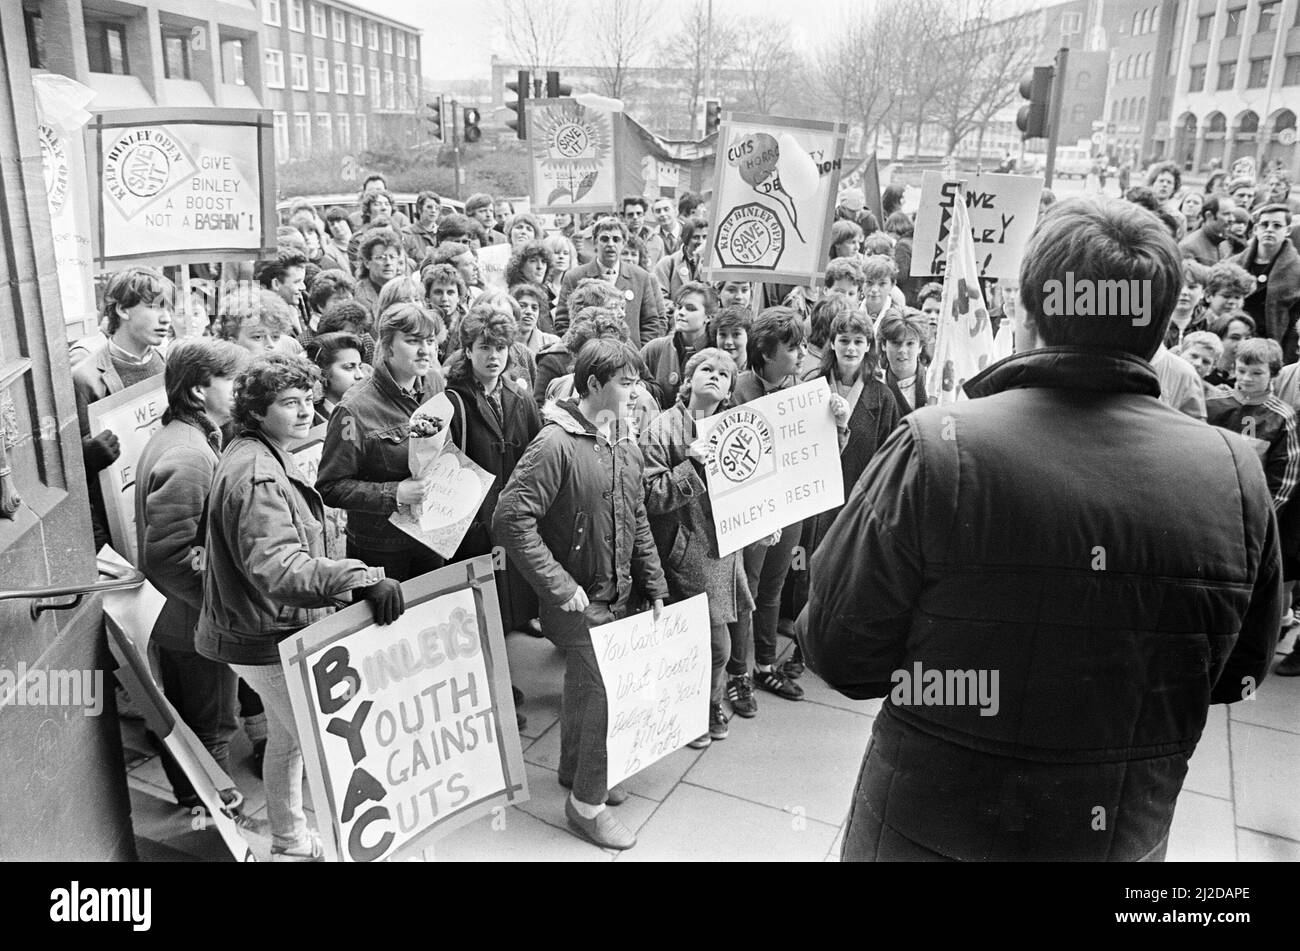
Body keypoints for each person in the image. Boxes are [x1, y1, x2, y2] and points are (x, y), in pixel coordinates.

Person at [802, 196, 1280, 862]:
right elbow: (1236, 674)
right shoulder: (1235, 475)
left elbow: (838, 650)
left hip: (925, 835)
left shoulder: (937, 448)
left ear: (1027, 315)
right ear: (1160, 325)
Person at [196, 354, 404, 861]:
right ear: (257, 411)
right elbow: (280, 569)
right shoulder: (258, 474)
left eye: (308, 400)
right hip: (260, 636)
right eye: (289, 403)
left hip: (258, 630)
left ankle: (288, 842)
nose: (305, 411)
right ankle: (342, 848)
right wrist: (360, 579)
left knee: (289, 742)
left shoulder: (256, 453)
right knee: (327, 749)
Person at [493, 338, 668, 851]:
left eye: (637, 383)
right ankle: (586, 805)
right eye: (626, 384)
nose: (636, 394)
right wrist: (558, 584)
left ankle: (575, 770)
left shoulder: (623, 439)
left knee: (586, 688)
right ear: (593, 385)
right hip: (576, 601)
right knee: (607, 695)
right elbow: (510, 518)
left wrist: (653, 582)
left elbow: (635, 515)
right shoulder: (556, 444)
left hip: (612, 595)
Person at [135, 338, 248, 811]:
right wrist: (219, 605)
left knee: (198, 717)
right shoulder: (190, 454)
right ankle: (211, 813)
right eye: (233, 382)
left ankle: (195, 797)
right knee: (212, 723)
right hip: (194, 622)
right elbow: (166, 556)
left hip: (185, 618)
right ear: (199, 391)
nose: (242, 391)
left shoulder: (187, 438)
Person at [641, 347, 752, 749]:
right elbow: (649, 498)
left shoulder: (733, 426)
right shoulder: (661, 429)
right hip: (685, 551)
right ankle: (697, 709)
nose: (714, 376)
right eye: (706, 368)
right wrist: (690, 465)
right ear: (688, 380)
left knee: (716, 645)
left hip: (724, 549)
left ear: (727, 392)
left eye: (724, 375)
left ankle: (707, 704)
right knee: (706, 644)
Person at [316, 303, 446, 583]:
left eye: (430, 341)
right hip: (381, 549)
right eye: (412, 341)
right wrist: (395, 493)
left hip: (431, 534)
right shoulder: (353, 409)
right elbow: (331, 487)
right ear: (386, 346)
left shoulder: (434, 383)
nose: (425, 350)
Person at [726, 308, 813, 714]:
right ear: (765, 352)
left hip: (790, 507)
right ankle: (738, 674)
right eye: (792, 348)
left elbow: (819, 454)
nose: (801, 354)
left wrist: (838, 425)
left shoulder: (801, 388)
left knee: (772, 588)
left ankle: (764, 664)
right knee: (747, 591)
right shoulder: (739, 389)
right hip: (753, 512)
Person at [443, 304, 542, 638]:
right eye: (484, 347)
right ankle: (490, 625)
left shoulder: (520, 396)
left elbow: (535, 451)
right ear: (468, 351)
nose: (493, 356)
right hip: (475, 508)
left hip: (513, 500)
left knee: (515, 559)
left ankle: (522, 613)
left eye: (500, 347)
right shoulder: (454, 399)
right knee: (484, 569)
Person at [73, 267, 173, 551]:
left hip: (166, 510)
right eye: (155, 308)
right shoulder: (86, 378)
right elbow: (72, 471)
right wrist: (87, 456)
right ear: (123, 310)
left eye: (168, 309)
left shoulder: (169, 364)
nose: (166, 318)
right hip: (122, 525)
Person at [555, 217, 666, 345]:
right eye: (604, 239)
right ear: (595, 242)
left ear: (624, 243)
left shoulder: (641, 277)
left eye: (616, 239)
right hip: (589, 356)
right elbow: (562, 321)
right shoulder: (574, 277)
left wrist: (639, 353)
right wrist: (579, 349)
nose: (610, 244)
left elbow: (650, 322)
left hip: (629, 356)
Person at [1228, 204, 1300, 363]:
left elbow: (1295, 325)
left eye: (1277, 226)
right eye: (1264, 224)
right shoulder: (1233, 265)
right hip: (1234, 342)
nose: (1269, 229)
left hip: (1272, 347)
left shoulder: (1297, 272)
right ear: (1255, 230)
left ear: (1287, 231)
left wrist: (1285, 361)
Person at [640, 282, 716, 408]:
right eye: (679, 307)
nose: (681, 313)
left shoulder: (717, 353)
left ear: (708, 317)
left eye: (691, 308)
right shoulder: (654, 348)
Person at [876, 310, 930, 413]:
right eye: (896, 343)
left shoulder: (933, 384)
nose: (902, 350)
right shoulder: (875, 387)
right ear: (883, 345)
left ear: (920, 346)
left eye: (910, 343)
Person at [305, 331, 366, 421]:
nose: (360, 375)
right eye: (349, 367)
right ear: (322, 372)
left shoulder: (370, 411)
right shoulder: (310, 421)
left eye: (360, 367)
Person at [652, 216, 709, 303]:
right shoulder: (668, 263)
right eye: (696, 237)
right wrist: (680, 309)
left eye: (705, 237)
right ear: (686, 238)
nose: (701, 242)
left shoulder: (712, 266)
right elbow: (658, 298)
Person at [353, 228, 406, 319]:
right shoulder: (358, 297)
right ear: (367, 263)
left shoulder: (406, 290)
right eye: (381, 258)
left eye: (392, 257)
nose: (388, 263)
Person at [1179, 195, 1236, 266]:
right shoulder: (1188, 247)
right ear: (1209, 215)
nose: (1232, 219)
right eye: (1226, 214)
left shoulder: (1225, 243)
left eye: (1233, 214)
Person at [1208, 312, 1255, 387]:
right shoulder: (1202, 373)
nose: (1243, 343)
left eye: (1247, 339)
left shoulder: (1251, 378)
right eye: (1235, 338)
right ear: (1218, 338)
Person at [402, 190, 443, 266]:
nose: (433, 210)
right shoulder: (407, 234)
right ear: (420, 209)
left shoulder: (443, 233)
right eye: (429, 207)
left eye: (437, 208)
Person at [708, 304, 752, 372]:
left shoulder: (758, 371)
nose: (728, 342)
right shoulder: (707, 369)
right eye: (723, 334)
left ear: (748, 335)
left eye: (736, 334)